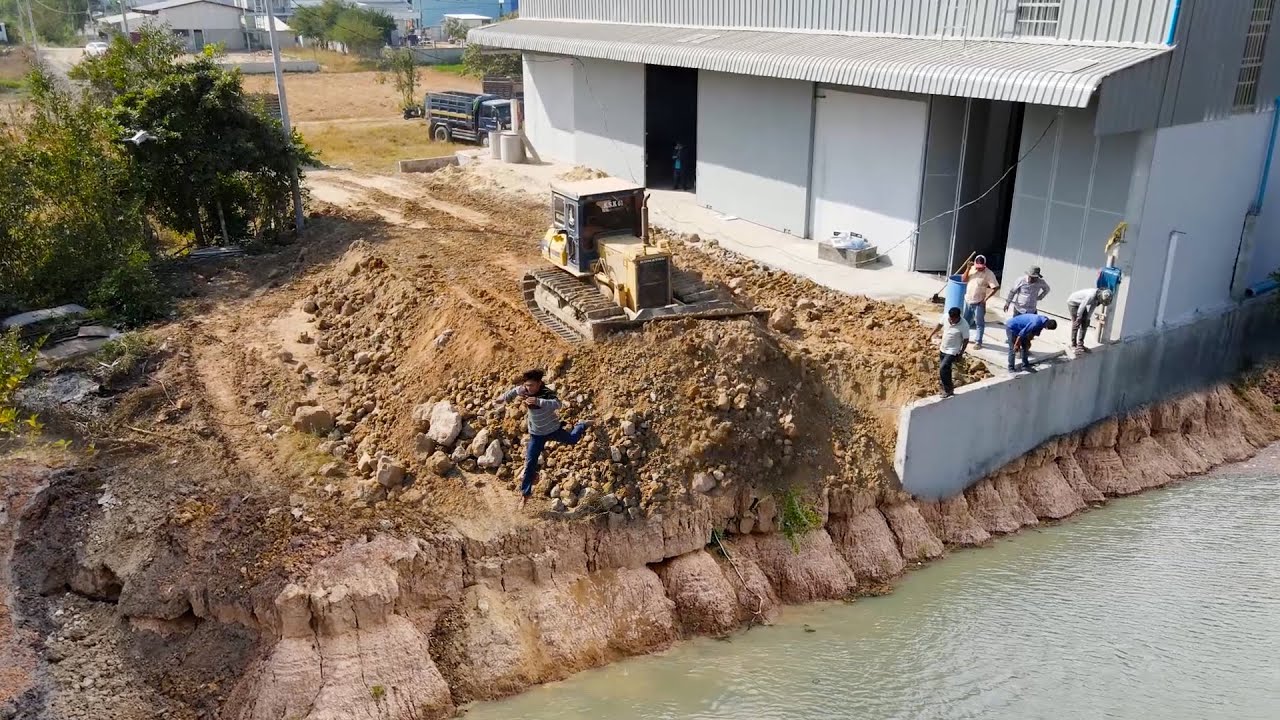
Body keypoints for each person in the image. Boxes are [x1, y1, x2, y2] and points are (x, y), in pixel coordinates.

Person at [494, 369, 591, 506]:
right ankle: (525, 495)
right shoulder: (525, 389)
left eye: (532, 385)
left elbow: (558, 404)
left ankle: (581, 425)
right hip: (536, 435)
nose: (528, 388)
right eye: (527, 385)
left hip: (553, 430)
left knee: (573, 440)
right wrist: (503, 398)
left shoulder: (546, 393)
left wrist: (539, 401)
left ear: (539, 383)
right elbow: (515, 391)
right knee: (530, 463)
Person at [928, 306, 970, 398]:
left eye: (953, 319)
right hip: (943, 348)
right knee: (946, 370)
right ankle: (946, 387)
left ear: (958, 317)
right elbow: (939, 325)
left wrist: (961, 352)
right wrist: (930, 335)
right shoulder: (946, 316)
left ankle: (948, 390)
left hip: (952, 350)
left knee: (943, 368)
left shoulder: (964, 325)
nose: (951, 321)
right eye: (950, 319)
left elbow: (966, 340)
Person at [961, 254, 1000, 349]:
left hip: (979, 302)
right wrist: (967, 268)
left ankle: (978, 342)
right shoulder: (971, 269)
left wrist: (985, 299)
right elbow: (963, 280)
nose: (979, 269)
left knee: (979, 323)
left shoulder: (989, 273)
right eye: (977, 267)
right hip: (968, 300)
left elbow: (995, 287)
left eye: (981, 267)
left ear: (984, 265)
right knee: (965, 322)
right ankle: (963, 338)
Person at [1066, 287, 1114, 353]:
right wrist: (1079, 317)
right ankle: (1073, 344)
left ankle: (1080, 345)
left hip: (1080, 304)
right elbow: (1083, 305)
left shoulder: (1097, 298)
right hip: (1073, 303)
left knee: (1085, 323)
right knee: (1076, 323)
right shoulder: (1091, 295)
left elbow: (1092, 308)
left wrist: (1088, 319)